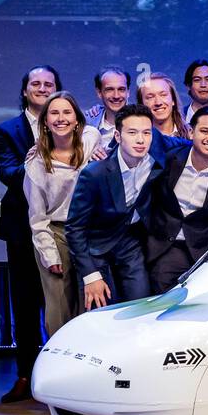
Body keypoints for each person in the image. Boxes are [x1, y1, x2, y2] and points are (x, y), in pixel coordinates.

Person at [0, 64, 62, 402]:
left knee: (61, 303)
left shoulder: (69, 125)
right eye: (36, 83)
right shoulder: (6, 130)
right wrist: (43, 157)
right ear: (25, 90)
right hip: (22, 229)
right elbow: (9, 174)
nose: (42, 88)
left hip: (62, 226)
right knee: (25, 304)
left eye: (49, 84)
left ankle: (62, 378)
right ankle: (25, 375)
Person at [65, 105, 166, 310]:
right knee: (100, 311)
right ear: (118, 136)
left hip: (130, 243)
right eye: (132, 133)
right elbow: (74, 228)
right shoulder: (95, 173)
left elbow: (189, 146)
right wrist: (90, 275)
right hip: (95, 246)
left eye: (146, 133)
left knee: (141, 305)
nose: (140, 140)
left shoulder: (157, 161)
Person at [23, 90, 101, 338]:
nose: (61, 118)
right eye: (54, 113)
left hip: (89, 232)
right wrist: (49, 253)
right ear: (44, 121)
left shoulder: (90, 140)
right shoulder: (36, 163)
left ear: (77, 118)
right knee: (59, 307)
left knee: (89, 302)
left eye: (67, 112)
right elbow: (37, 218)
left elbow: (92, 131)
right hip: (55, 233)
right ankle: (58, 359)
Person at [146, 107, 208, 293]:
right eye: (204, 131)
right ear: (191, 132)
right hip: (163, 246)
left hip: (201, 252)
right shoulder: (169, 160)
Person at [83, 65, 130, 152]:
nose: (116, 95)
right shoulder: (86, 123)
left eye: (121, 89)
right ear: (99, 93)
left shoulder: (141, 121)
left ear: (128, 92)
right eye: (110, 89)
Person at [139, 71, 190, 140]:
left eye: (163, 95)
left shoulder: (192, 135)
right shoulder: (137, 140)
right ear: (142, 104)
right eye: (150, 97)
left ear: (173, 100)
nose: (158, 102)